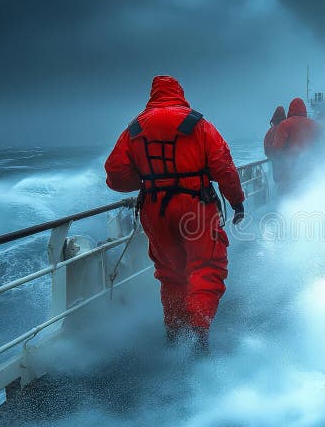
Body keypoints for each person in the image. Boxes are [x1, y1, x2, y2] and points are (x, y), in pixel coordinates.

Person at [104, 75, 245, 356]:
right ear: (179, 93)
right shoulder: (198, 124)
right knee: (206, 266)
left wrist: (150, 180)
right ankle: (198, 332)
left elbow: (115, 175)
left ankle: (175, 331)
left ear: (153, 95)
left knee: (171, 274)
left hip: (155, 210)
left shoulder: (134, 128)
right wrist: (237, 202)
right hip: (195, 206)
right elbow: (223, 167)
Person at [270, 97, 318, 193]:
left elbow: (276, 148)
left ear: (290, 109)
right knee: (307, 189)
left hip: (289, 167)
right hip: (309, 166)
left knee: (288, 192)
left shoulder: (285, 124)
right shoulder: (314, 124)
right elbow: (319, 145)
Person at [263, 105, 286, 184]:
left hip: (274, 161)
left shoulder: (270, 131)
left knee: (277, 181)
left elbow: (266, 147)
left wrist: (271, 155)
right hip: (286, 161)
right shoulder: (286, 128)